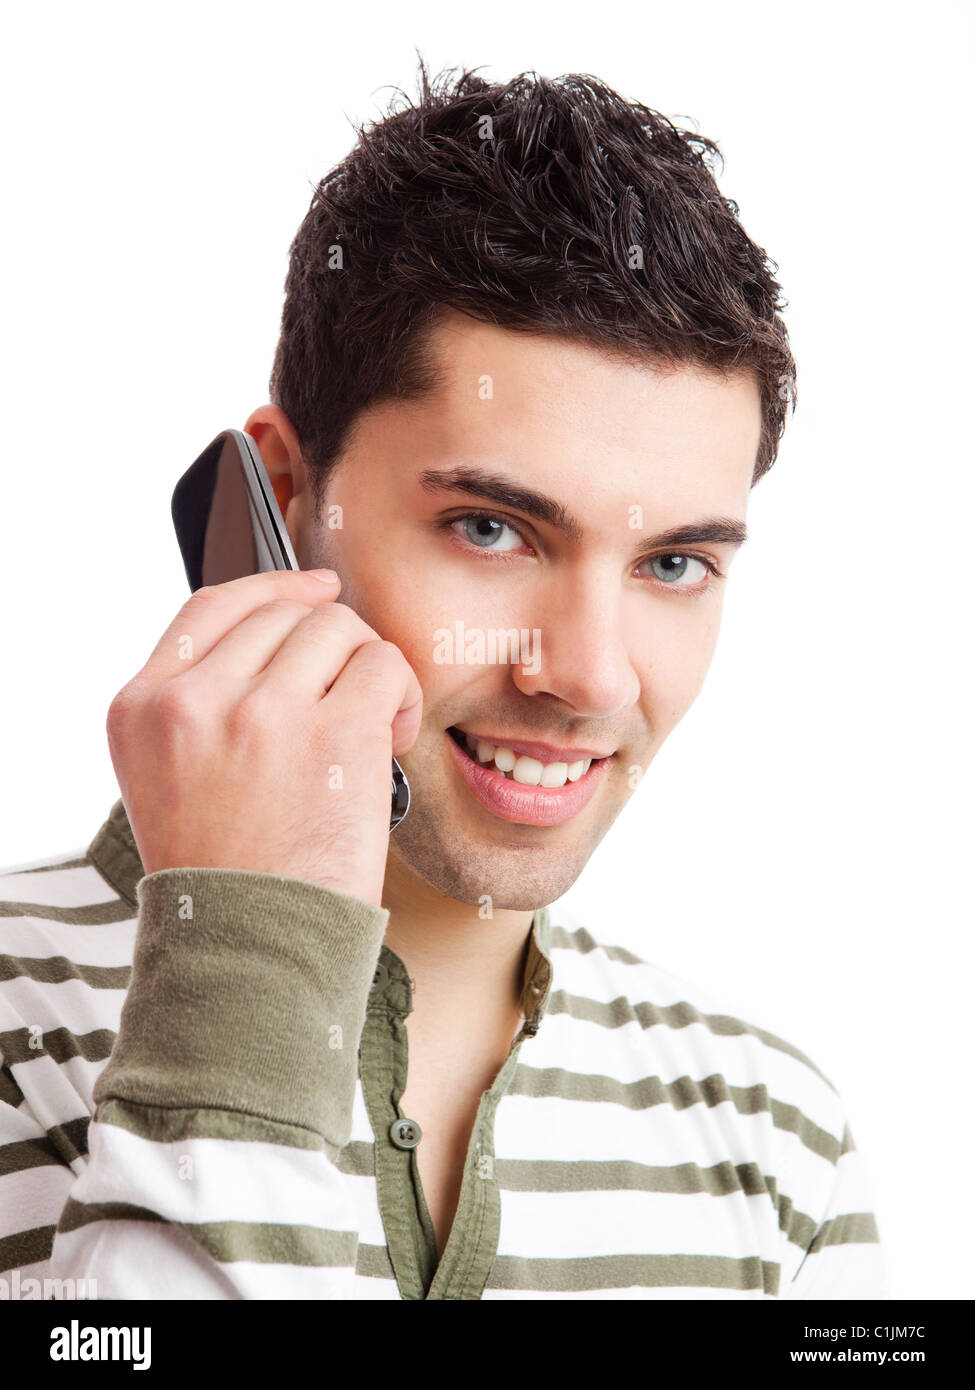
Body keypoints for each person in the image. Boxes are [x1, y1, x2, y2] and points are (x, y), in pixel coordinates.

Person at [0, 59, 887, 1301]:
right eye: (490, 528)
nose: (585, 676)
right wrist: (241, 976)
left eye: (675, 561)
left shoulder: (777, 1145)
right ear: (288, 497)